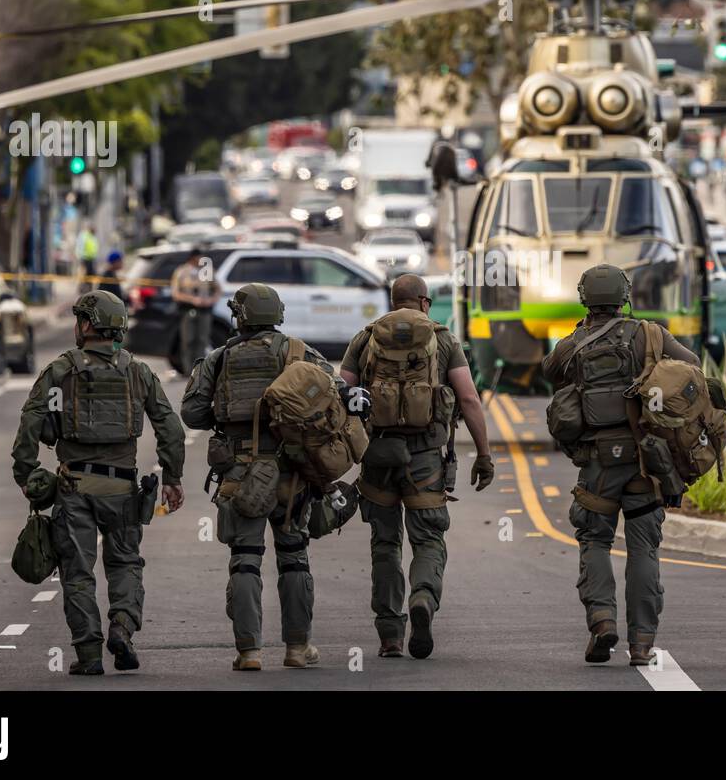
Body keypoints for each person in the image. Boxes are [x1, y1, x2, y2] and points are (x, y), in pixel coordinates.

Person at [182, 282, 363, 670]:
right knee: (294, 558)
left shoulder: (218, 359)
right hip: (292, 473)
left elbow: (192, 414)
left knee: (245, 560)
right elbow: (337, 395)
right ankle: (298, 649)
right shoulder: (301, 353)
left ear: (239, 316)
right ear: (277, 314)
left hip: (240, 474)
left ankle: (249, 652)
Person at [11, 290, 185, 676]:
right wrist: (172, 477)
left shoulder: (60, 370)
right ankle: (121, 627)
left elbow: (30, 422)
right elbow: (170, 427)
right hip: (123, 489)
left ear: (88, 324)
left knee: (78, 573)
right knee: (125, 564)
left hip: (74, 488)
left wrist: (26, 474)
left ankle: (89, 655)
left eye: (78, 319)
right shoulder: (137, 371)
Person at [541, 264, 701, 666]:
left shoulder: (573, 343)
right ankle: (642, 643)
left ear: (584, 298)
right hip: (646, 462)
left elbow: (548, 372)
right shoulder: (650, 333)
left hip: (597, 464)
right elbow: (692, 364)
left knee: (594, 539)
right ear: (625, 295)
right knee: (643, 547)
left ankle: (602, 620)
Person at [338, 273, 493, 660]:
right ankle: (423, 596)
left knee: (385, 544)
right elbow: (469, 399)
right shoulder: (442, 339)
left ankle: (390, 633)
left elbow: (339, 394)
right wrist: (484, 454)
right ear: (425, 302)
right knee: (428, 539)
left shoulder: (366, 337)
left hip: (378, 457)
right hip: (425, 458)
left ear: (393, 302)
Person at [171, 248, 220, 370]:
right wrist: (192, 300)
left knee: (202, 340)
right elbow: (176, 293)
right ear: (193, 258)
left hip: (205, 311)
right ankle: (188, 369)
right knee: (188, 340)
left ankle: (200, 369)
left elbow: (217, 289)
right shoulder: (182, 271)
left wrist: (211, 300)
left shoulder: (207, 271)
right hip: (188, 310)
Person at [76, 226, 99, 291]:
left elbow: (94, 248)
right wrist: (80, 256)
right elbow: (80, 246)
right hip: (84, 258)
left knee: (90, 274)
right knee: (83, 274)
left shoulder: (93, 237)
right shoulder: (84, 236)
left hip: (91, 259)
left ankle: (89, 288)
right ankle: (81, 288)